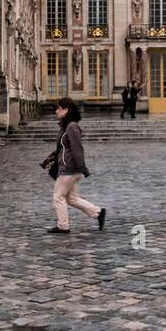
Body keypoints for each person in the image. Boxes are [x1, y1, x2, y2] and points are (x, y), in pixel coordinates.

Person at [46, 97, 105, 234]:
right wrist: (50, 160)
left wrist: (82, 168)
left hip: (69, 169)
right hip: (69, 168)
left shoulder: (72, 127)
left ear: (66, 110)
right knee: (71, 198)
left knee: (58, 196)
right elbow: (63, 148)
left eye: (58, 109)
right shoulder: (66, 126)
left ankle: (63, 226)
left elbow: (77, 149)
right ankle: (98, 212)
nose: (56, 111)